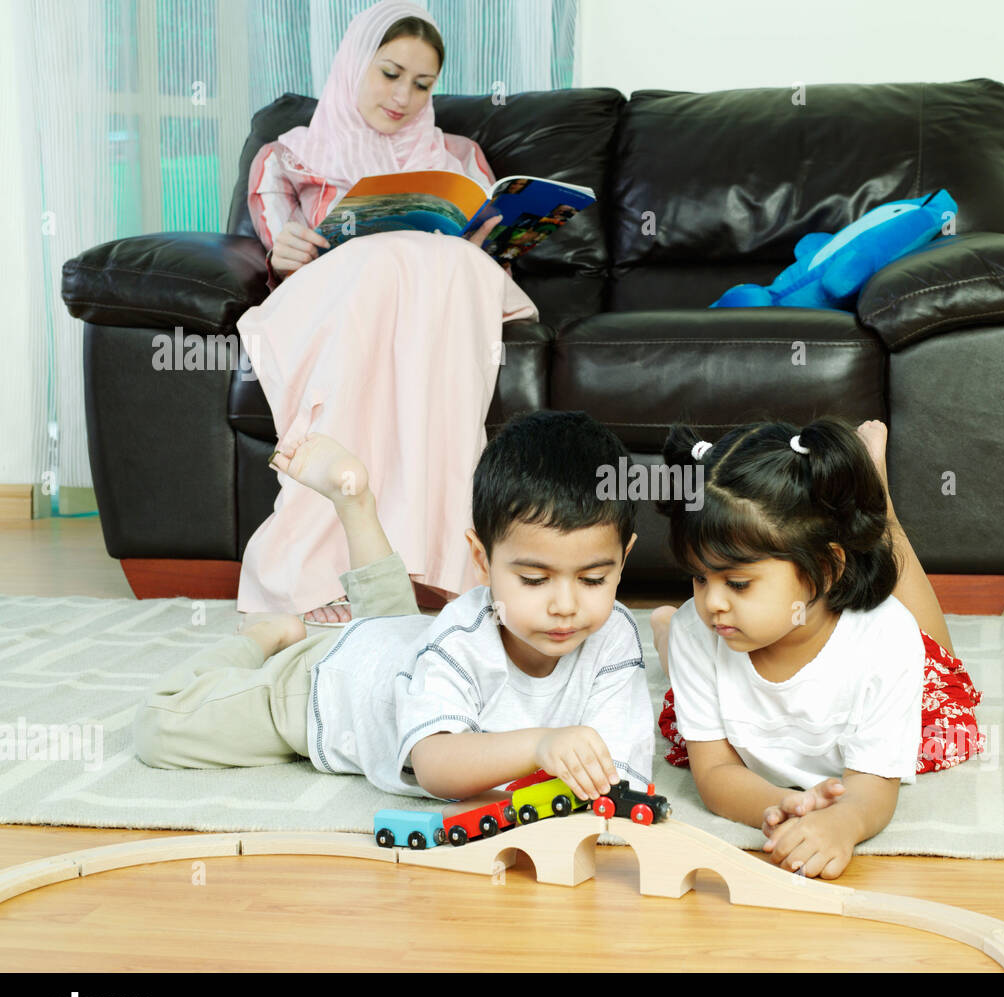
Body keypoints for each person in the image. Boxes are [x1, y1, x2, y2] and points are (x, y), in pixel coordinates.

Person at [134, 410, 655, 802]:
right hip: (330, 684)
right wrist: (541, 744)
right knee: (162, 729)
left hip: (403, 643)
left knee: (396, 626)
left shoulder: (615, 635)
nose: (565, 605)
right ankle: (264, 637)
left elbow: (621, 768)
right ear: (482, 559)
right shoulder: (463, 637)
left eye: (593, 578)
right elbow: (434, 764)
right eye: (534, 579)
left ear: (622, 561)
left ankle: (355, 502)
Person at [235, 0, 538, 627]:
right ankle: (328, 572)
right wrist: (287, 249)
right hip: (335, 299)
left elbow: (487, 264)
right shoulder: (287, 156)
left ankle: (437, 569)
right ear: (354, 65)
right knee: (384, 262)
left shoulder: (460, 157)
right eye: (390, 73)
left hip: (431, 307)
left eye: (422, 84)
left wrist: (487, 250)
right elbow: (273, 251)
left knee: (447, 265)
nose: (403, 96)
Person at [649, 417, 986, 880]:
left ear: (825, 569)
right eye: (700, 577)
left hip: (890, 658)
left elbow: (873, 788)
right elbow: (715, 771)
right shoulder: (702, 627)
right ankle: (666, 633)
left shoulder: (886, 639)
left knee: (939, 667)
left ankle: (878, 499)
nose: (711, 602)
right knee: (687, 659)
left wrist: (843, 822)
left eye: (739, 583)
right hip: (719, 655)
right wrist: (782, 806)